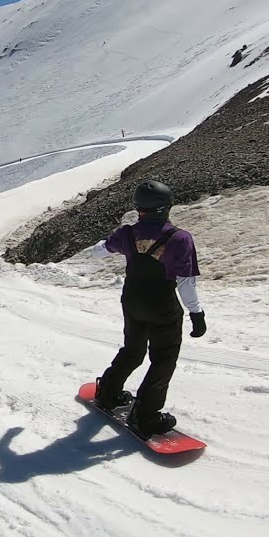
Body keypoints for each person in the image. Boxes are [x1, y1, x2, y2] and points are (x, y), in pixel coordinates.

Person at [90, 180, 206, 435]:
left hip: (131, 300)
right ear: (168, 206)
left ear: (138, 207)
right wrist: (196, 313)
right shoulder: (180, 238)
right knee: (163, 358)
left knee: (132, 349)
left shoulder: (127, 233)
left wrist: (105, 244)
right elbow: (186, 283)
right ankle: (146, 416)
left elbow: (99, 252)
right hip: (162, 305)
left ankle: (108, 393)